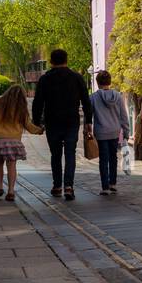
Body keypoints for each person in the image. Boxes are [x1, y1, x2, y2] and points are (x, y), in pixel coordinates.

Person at [31, 48, 94, 200]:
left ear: (51, 62)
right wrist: (88, 122)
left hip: (52, 122)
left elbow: (38, 102)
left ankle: (57, 185)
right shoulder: (76, 78)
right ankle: (69, 186)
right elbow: (86, 102)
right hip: (71, 121)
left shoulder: (45, 79)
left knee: (56, 155)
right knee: (70, 153)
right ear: (66, 60)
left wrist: (36, 122)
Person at [0, 86, 41, 202]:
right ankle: (10, 191)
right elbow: (28, 125)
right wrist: (40, 130)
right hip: (14, 141)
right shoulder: (21, 108)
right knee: (12, 166)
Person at [90, 71, 131, 195]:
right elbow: (123, 116)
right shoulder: (118, 96)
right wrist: (126, 131)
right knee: (113, 157)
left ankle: (105, 187)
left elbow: (89, 116)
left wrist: (87, 129)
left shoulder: (93, 98)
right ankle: (113, 183)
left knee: (103, 159)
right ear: (110, 82)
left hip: (101, 132)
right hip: (114, 131)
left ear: (97, 83)